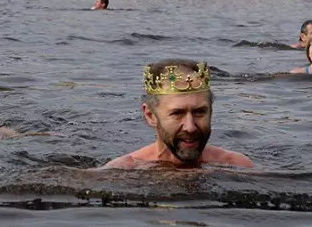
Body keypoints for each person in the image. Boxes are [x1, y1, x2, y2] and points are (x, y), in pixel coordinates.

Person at [103, 59, 254, 169]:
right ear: (150, 115)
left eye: (199, 112)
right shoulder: (123, 171)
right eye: (177, 113)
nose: (190, 127)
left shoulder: (237, 166)